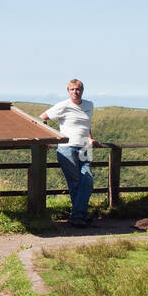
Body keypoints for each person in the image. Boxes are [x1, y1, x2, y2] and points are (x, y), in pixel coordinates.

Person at [40, 78, 97, 227]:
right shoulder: (63, 106)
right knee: (76, 182)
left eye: (77, 89)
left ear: (82, 91)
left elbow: (86, 124)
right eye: (72, 89)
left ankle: (78, 215)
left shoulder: (89, 105)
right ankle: (80, 215)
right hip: (67, 147)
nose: (75, 92)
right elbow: (42, 118)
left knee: (88, 180)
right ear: (68, 91)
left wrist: (90, 138)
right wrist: (46, 139)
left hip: (85, 147)